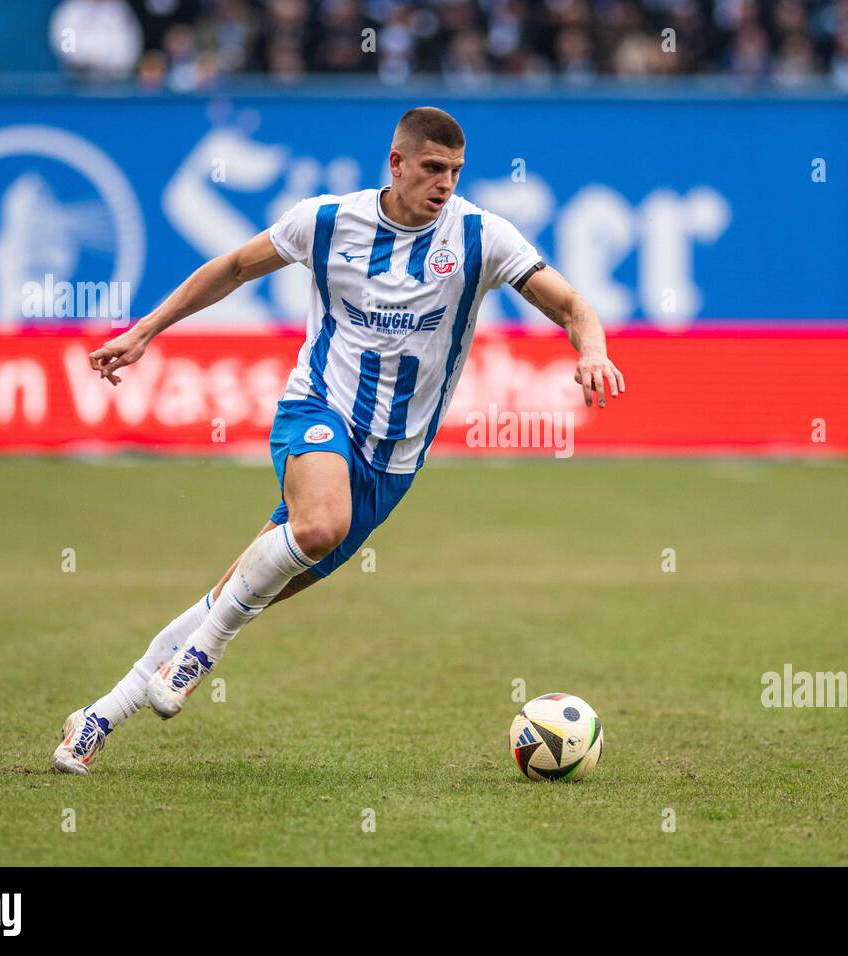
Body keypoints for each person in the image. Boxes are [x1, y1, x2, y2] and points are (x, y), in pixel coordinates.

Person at [52, 106, 626, 774]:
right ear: (397, 163)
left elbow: (573, 307)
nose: (444, 184)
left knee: (240, 591)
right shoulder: (326, 220)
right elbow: (235, 266)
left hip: (392, 464)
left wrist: (592, 350)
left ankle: (96, 718)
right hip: (317, 409)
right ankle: (203, 653)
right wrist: (145, 329)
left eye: (456, 171)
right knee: (318, 527)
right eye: (432, 168)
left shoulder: (480, 236)